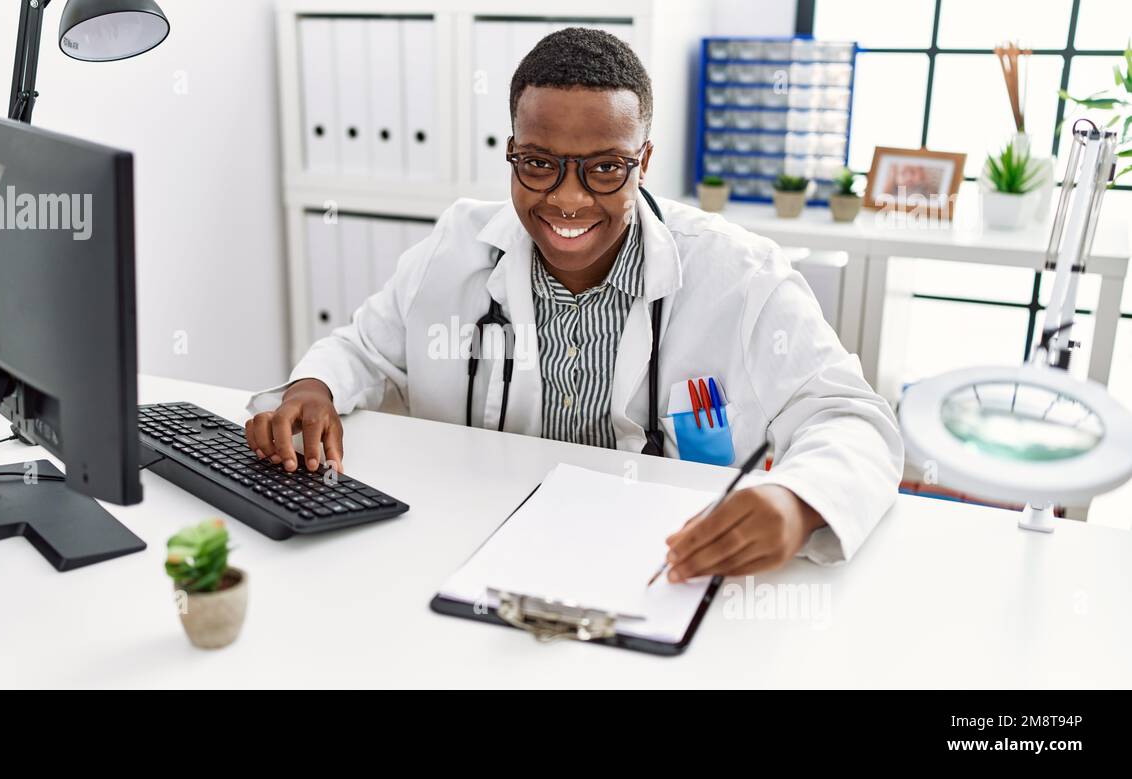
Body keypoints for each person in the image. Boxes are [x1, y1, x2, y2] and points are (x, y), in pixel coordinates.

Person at [246, 28, 902, 578]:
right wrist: (315, 385)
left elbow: (854, 418)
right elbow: (360, 348)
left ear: (643, 161)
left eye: (605, 167)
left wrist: (796, 500)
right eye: (538, 162)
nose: (568, 198)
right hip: (468, 551)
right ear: (510, 154)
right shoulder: (459, 246)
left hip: (655, 568)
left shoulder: (739, 274)